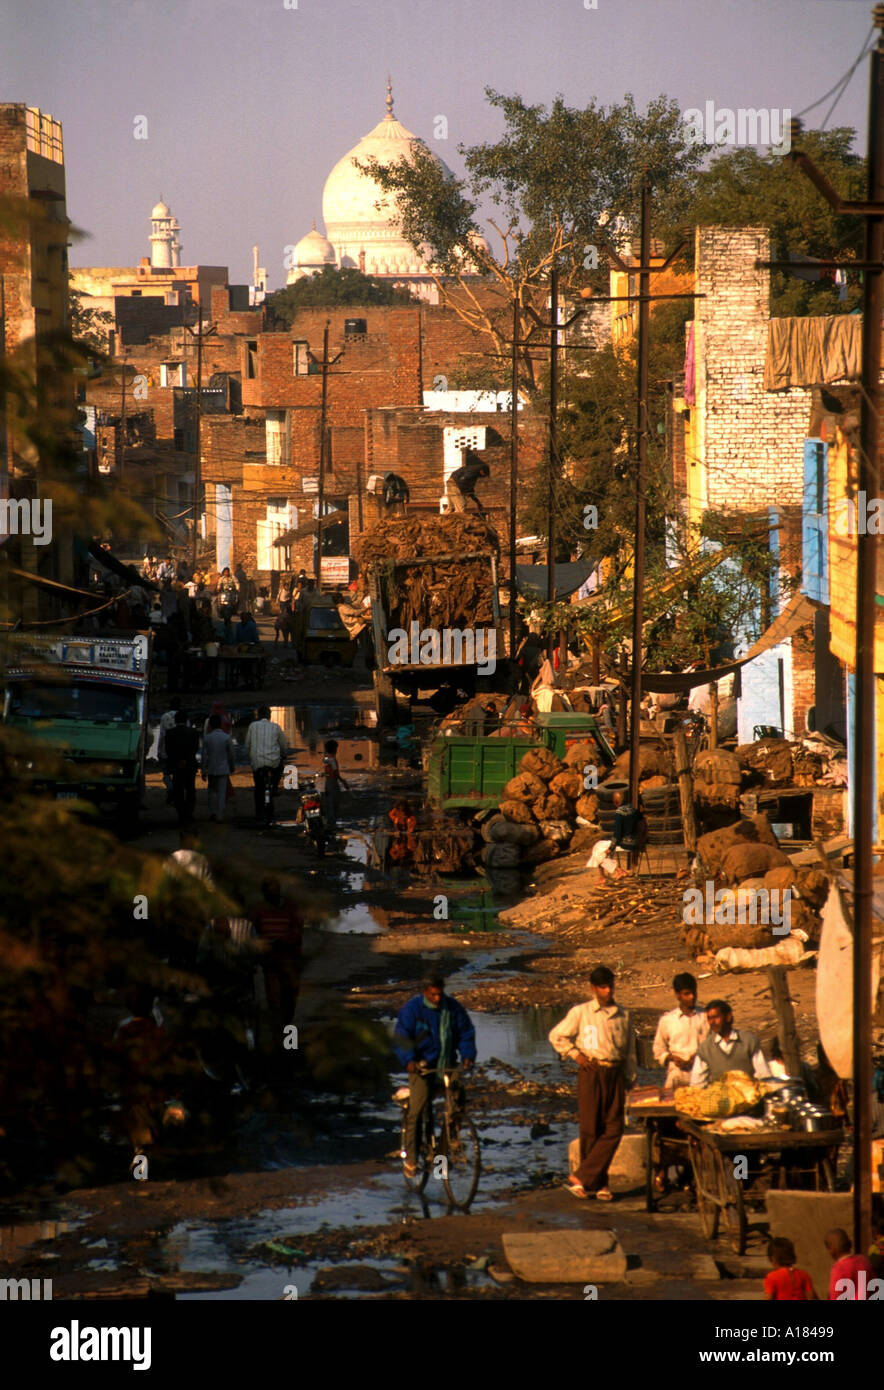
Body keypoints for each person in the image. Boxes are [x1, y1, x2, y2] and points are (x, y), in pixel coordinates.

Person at [549, 964, 637, 1201]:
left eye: (610, 986)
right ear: (593, 988)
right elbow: (557, 1035)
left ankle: (582, 1176)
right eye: (602, 987)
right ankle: (598, 1184)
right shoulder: (581, 1012)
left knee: (614, 1128)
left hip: (615, 1072)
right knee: (590, 1127)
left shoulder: (623, 1014)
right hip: (591, 1071)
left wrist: (630, 1079)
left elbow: (629, 1051)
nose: (607, 991)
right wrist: (574, 1054)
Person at [393, 973, 476, 1176]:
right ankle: (411, 1160)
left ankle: (445, 1151)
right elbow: (402, 1036)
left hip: (446, 1064)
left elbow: (466, 1033)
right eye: (433, 995)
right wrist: (409, 1060)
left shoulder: (453, 1008)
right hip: (422, 1067)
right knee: (418, 1109)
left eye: (440, 994)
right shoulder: (412, 1010)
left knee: (457, 1101)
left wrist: (468, 1055)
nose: (437, 999)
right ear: (425, 993)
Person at [251, 878, 304, 1028]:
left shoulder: (291, 909)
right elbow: (253, 933)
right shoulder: (259, 911)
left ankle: (285, 1032)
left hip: (288, 959)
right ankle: (282, 1034)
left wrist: (280, 942)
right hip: (272, 960)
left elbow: (297, 932)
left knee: (289, 998)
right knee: (275, 999)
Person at [689, 1000, 771, 1086]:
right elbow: (697, 1083)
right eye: (709, 1018)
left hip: (749, 1095)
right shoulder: (705, 1049)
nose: (712, 1022)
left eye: (716, 1017)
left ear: (728, 1017)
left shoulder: (748, 1041)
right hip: (720, 1097)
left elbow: (763, 1075)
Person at [653, 973, 708, 1091]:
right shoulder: (667, 1020)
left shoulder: (705, 1017)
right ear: (677, 995)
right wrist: (671, 1058)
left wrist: (698, 1057)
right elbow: (658, 1049)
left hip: (700, 1071)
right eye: (687, 994)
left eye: (694, 992)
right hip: (676, 1073)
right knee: (670, 1104)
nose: (692, 997)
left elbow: (713, 1045)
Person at [244, 705, 287, 824]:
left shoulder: (252, 726)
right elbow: (283, 746)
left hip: (257, 763)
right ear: (269, 715)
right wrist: (283, 754)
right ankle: (275, 787)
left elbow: (247, 745)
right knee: (279, 768)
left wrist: (249, 756)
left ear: (258, 715)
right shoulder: (276, 727)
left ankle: (259, 813)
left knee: (258, 787)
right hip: (273, 763)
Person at [164, 708, 200, 827]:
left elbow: (169, 750)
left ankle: (181, 814)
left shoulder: (170, 733)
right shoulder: (193, 732)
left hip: (176, 765)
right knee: (190, 789)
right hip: (190, 764)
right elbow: (195, 749)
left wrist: (178, 760)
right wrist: (185, 759)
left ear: (175, 720)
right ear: (186, 720)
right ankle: (188, 813)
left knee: (178, 790)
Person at [201, 713, 235, 822]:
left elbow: (204, 756)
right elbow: (231, 754)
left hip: (211, 768)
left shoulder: (207, 738)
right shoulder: (226, 737)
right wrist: (232, 766)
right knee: (221, 792)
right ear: (221, 724)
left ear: (210, 725)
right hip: (223, 768)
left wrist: (203, 770)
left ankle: (212, 812)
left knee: (212, 791)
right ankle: (220, 814)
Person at [825, 1228, 876, 1300]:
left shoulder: (838, 1269)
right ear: (849, 1243)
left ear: (831, 1249)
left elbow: (835, 1296)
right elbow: (874, 1287)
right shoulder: (863, 1260)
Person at [321, 738, 350, 836]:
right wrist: (344, 782)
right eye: (336, 748)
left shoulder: (326, 758)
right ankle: (331, 824)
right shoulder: (332, 759)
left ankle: (330, 823)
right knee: (334, 803)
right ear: (334, 749)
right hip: (332, 783)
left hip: (328, 782)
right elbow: (335, 773)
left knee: (330, 803)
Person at [448, 451, 490, 517]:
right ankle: (459, 523)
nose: (483, 477)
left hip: (451, 482)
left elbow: (470, 489)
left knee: (450, 508)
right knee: (461, 506)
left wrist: (477, 502)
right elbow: (463, 480)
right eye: (484, 475)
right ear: (482, 471)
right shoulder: (473, 473)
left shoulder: (473, 473)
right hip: (455, 484)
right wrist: (463, 492)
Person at [157, 696, 182, 803]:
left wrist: (159, 750)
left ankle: (170, 789)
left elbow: (162, 735)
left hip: (166, 750)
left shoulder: (164, 717)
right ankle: (175, 792)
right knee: (177, 773)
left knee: (166, 773)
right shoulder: (182, 716)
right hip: (179, 750)